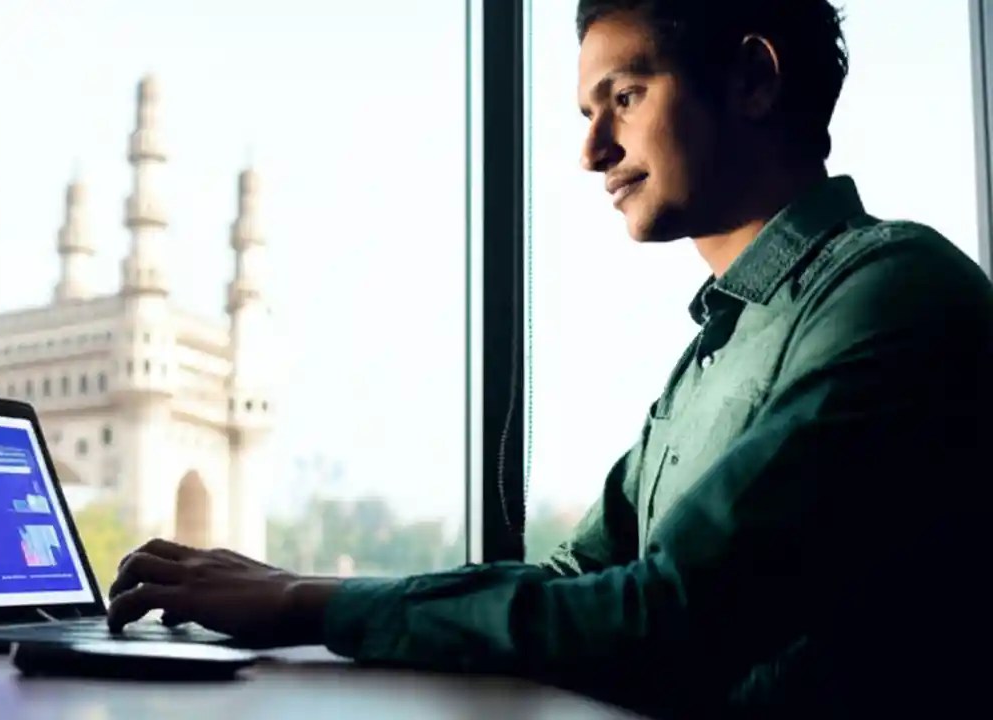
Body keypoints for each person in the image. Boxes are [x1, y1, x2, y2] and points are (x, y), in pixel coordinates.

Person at [107, 1, 993, 716]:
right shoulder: (716, 349)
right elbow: (575, 579)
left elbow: (665, 616)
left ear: (753, 81)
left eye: (627, 96)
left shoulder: (893, 296)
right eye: (588, 112)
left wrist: (309, 606)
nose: (591, 151)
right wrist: (295, 589)